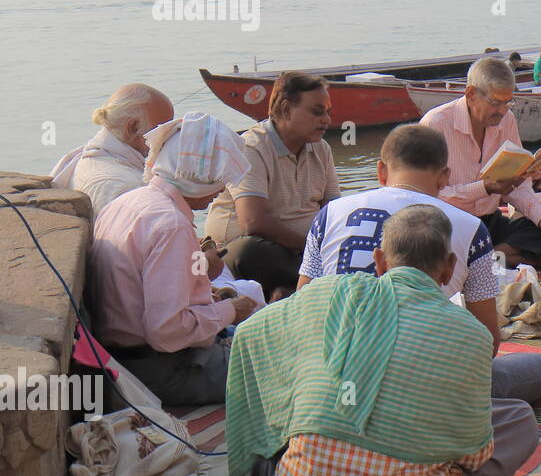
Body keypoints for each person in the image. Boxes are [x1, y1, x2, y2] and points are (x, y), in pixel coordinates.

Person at [225, 205, 541, 476]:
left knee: (273, 448)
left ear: (379, 260)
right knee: (521, 421)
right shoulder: (472, 334)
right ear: (450, 267)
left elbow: (248, 332)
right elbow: (472, 456)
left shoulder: (328, 293)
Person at [296, 124, 541, 399]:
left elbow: (302, 303)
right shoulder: (470, 229)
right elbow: (485, 342)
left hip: (325, 373)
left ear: (380, 170)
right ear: (445, 176)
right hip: (417, 382)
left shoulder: (330, 213)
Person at [88, 113, 260, 405]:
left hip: (121, 359)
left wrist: (208, 297)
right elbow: (166, 332)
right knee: (286, 365)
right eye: (218, 180)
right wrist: (231, 310)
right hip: (161, 370)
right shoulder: (171, 225)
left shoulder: (126, 203)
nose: (221, 190)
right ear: (198, 177)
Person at [419, 56, 541, 268]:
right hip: (449, 224)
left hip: (488, 222)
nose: (503, 110)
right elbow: (425, 197)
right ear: (471, 94)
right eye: (495, 102)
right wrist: (484, 188)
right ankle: (503, 259)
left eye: (508, 102)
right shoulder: (436, 124)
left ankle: (488, 258)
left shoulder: (507, 120)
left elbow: (518, 185)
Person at [205, 71, 340, 301]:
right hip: (251, 250)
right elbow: (255, 223)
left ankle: (293, 288)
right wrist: (314, 249)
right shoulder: (252, 146)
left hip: (298, 253)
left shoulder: (321, 149)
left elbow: (334, 210)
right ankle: (317, 282)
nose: (326, 120)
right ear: (286, 109)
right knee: (251, 251)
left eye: (327, 112)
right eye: (317, 112)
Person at [47, 83, 174, 215]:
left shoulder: (90, 156)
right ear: (133, 127)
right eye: (164, 130)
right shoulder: (126, 188)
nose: (169, 139)